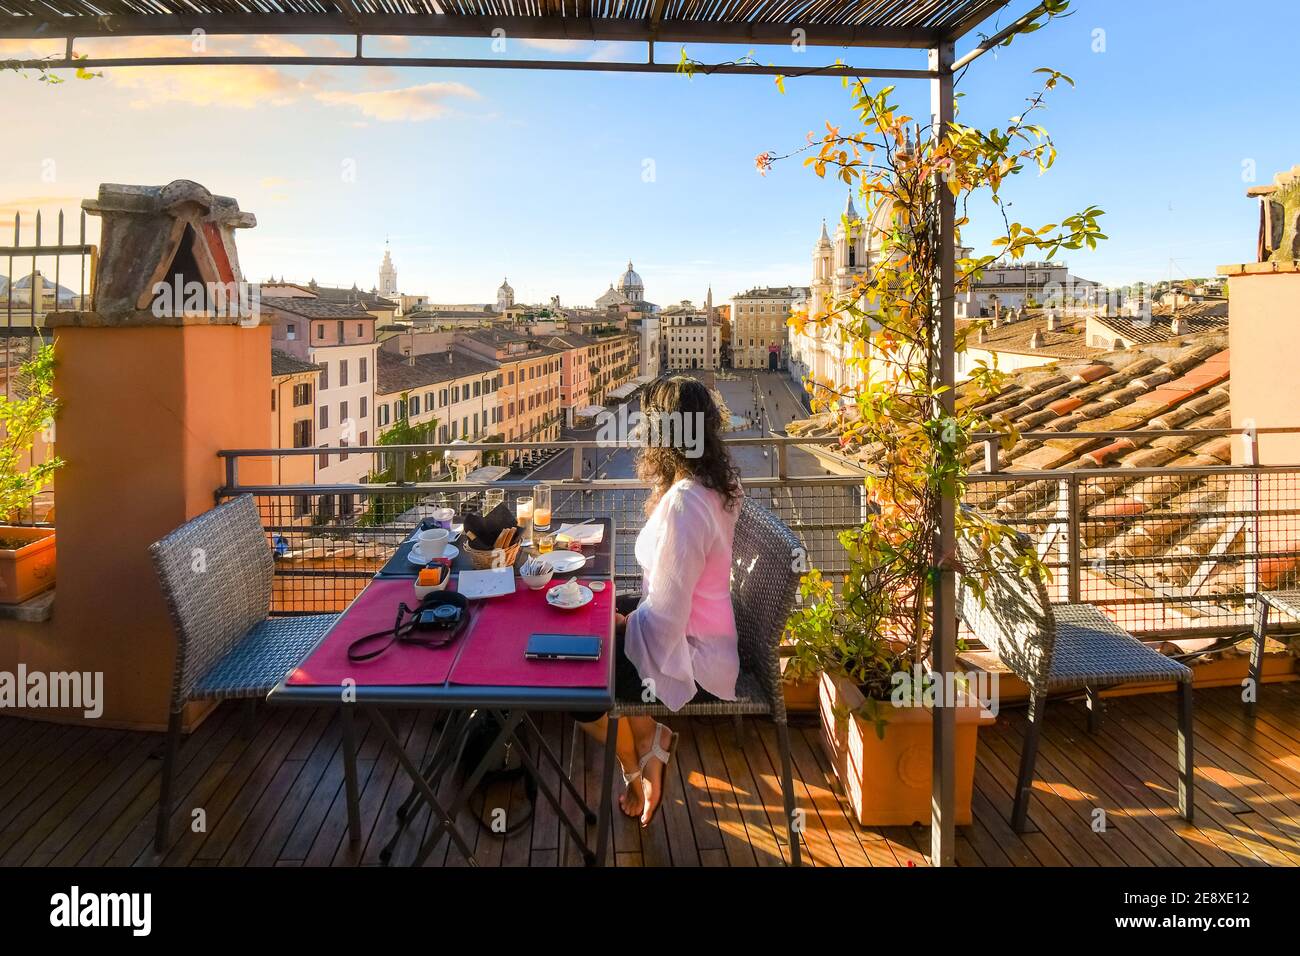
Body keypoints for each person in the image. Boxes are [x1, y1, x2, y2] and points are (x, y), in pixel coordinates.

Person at [572, 376, 744, 827]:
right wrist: (620, 616)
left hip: (692, 659)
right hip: (707, 638)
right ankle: (650, 738)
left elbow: (665, 621)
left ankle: (638, 762)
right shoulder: (715, 485)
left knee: (575, 681)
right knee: (590, 612)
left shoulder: (686, 502)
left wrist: (625, 624)